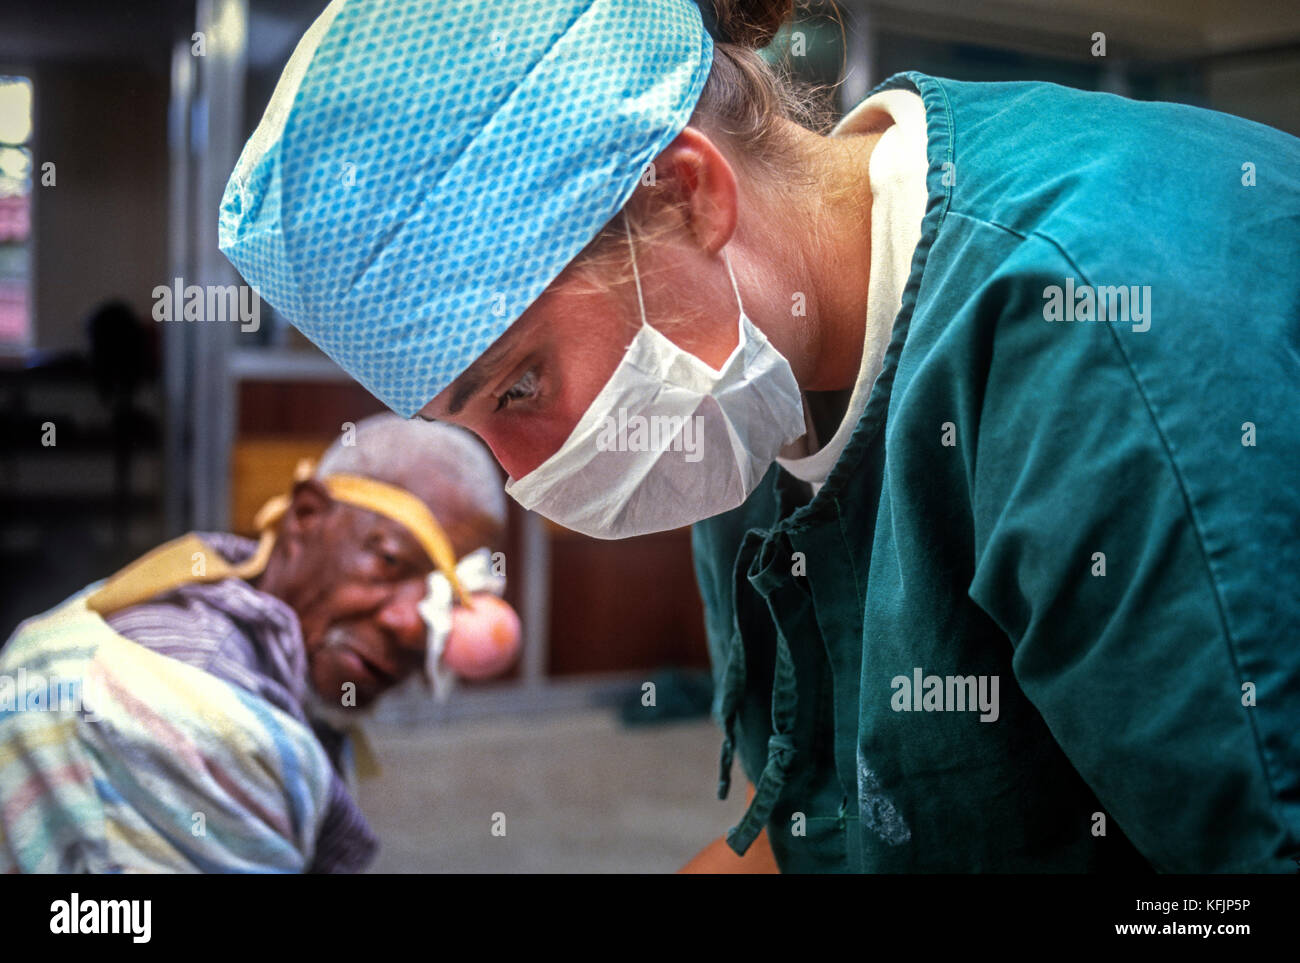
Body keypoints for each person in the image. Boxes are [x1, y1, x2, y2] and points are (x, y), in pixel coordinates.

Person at [218, 0, 1300, 872]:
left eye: (518, 388)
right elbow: (831, 815)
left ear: (686, 197)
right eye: (467, 425)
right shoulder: (741, 384)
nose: (522, 475)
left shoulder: (1082, 327)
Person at [0, 415, 519, 872]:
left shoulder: (197, 591)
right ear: (306, 516)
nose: (412, 625)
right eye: (388, 560)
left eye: (445, 602)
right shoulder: (199, 712)